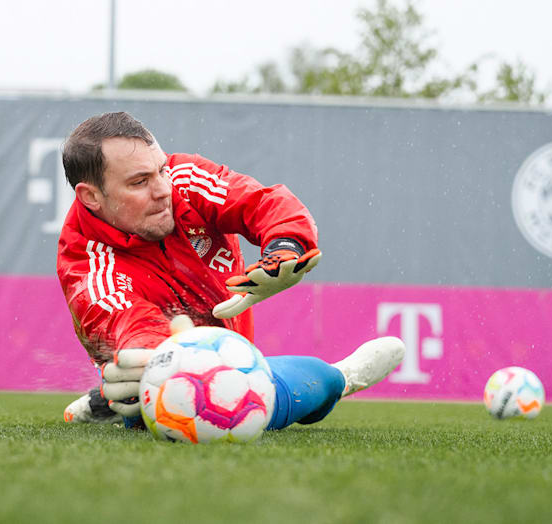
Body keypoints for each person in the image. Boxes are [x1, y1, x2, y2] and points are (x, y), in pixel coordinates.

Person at [57, 111, 404, 430]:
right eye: (139, 182)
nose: (163, 190)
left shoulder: (186, 178)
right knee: (226, 394)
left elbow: (260, 203)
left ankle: (106, 401)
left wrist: (285, 246)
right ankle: (341, 378)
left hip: (223, 353)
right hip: (157, 368)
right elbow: (132, 325)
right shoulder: (86, 265)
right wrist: (159, 357)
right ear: (91, 197)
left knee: (222, 389)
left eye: (161, 170)